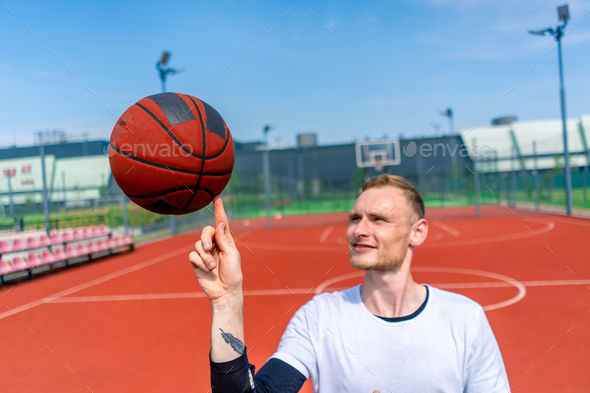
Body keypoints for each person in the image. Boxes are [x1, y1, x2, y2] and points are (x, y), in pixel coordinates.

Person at [189, 174, 510, 393]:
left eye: (379, 219)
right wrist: (227, 301)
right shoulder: (319, 318)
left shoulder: (465, 318)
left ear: (418, 231)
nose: (360, 229)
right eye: (355, 218)